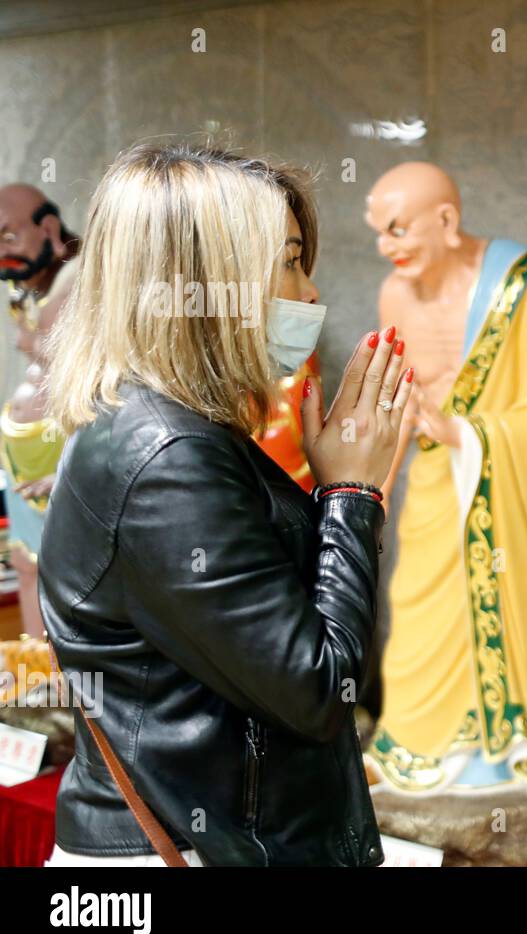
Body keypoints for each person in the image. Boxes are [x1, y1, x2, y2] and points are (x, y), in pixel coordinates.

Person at [38, 142, 415, 866]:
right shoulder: (168, 457)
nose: (309, 294)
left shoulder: (172, 429)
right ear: (206, 280)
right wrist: (351, 494)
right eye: (289, 261)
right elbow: (319, 690)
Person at [362, 162, 527, 807]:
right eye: (377, 233)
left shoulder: (526, 287)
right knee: (418, 613)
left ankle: (509, 749)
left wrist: (466, 435)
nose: (387, 248)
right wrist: (378, 484)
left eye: (398, 230)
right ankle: (429, 745)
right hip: (433, 484)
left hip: (509, 496)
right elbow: (400, 399)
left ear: (446, 221)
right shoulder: (396, 294)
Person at [0, 184, 79, 641]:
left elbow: (90, 368)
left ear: (47, 227)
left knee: (65, 568)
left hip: (62, 440)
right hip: (22, 446)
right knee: (25, 563)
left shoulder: (83, 274)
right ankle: (40, 683)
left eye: (8, 236)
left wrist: (32, 341)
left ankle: (74, 689)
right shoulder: (28, 284)